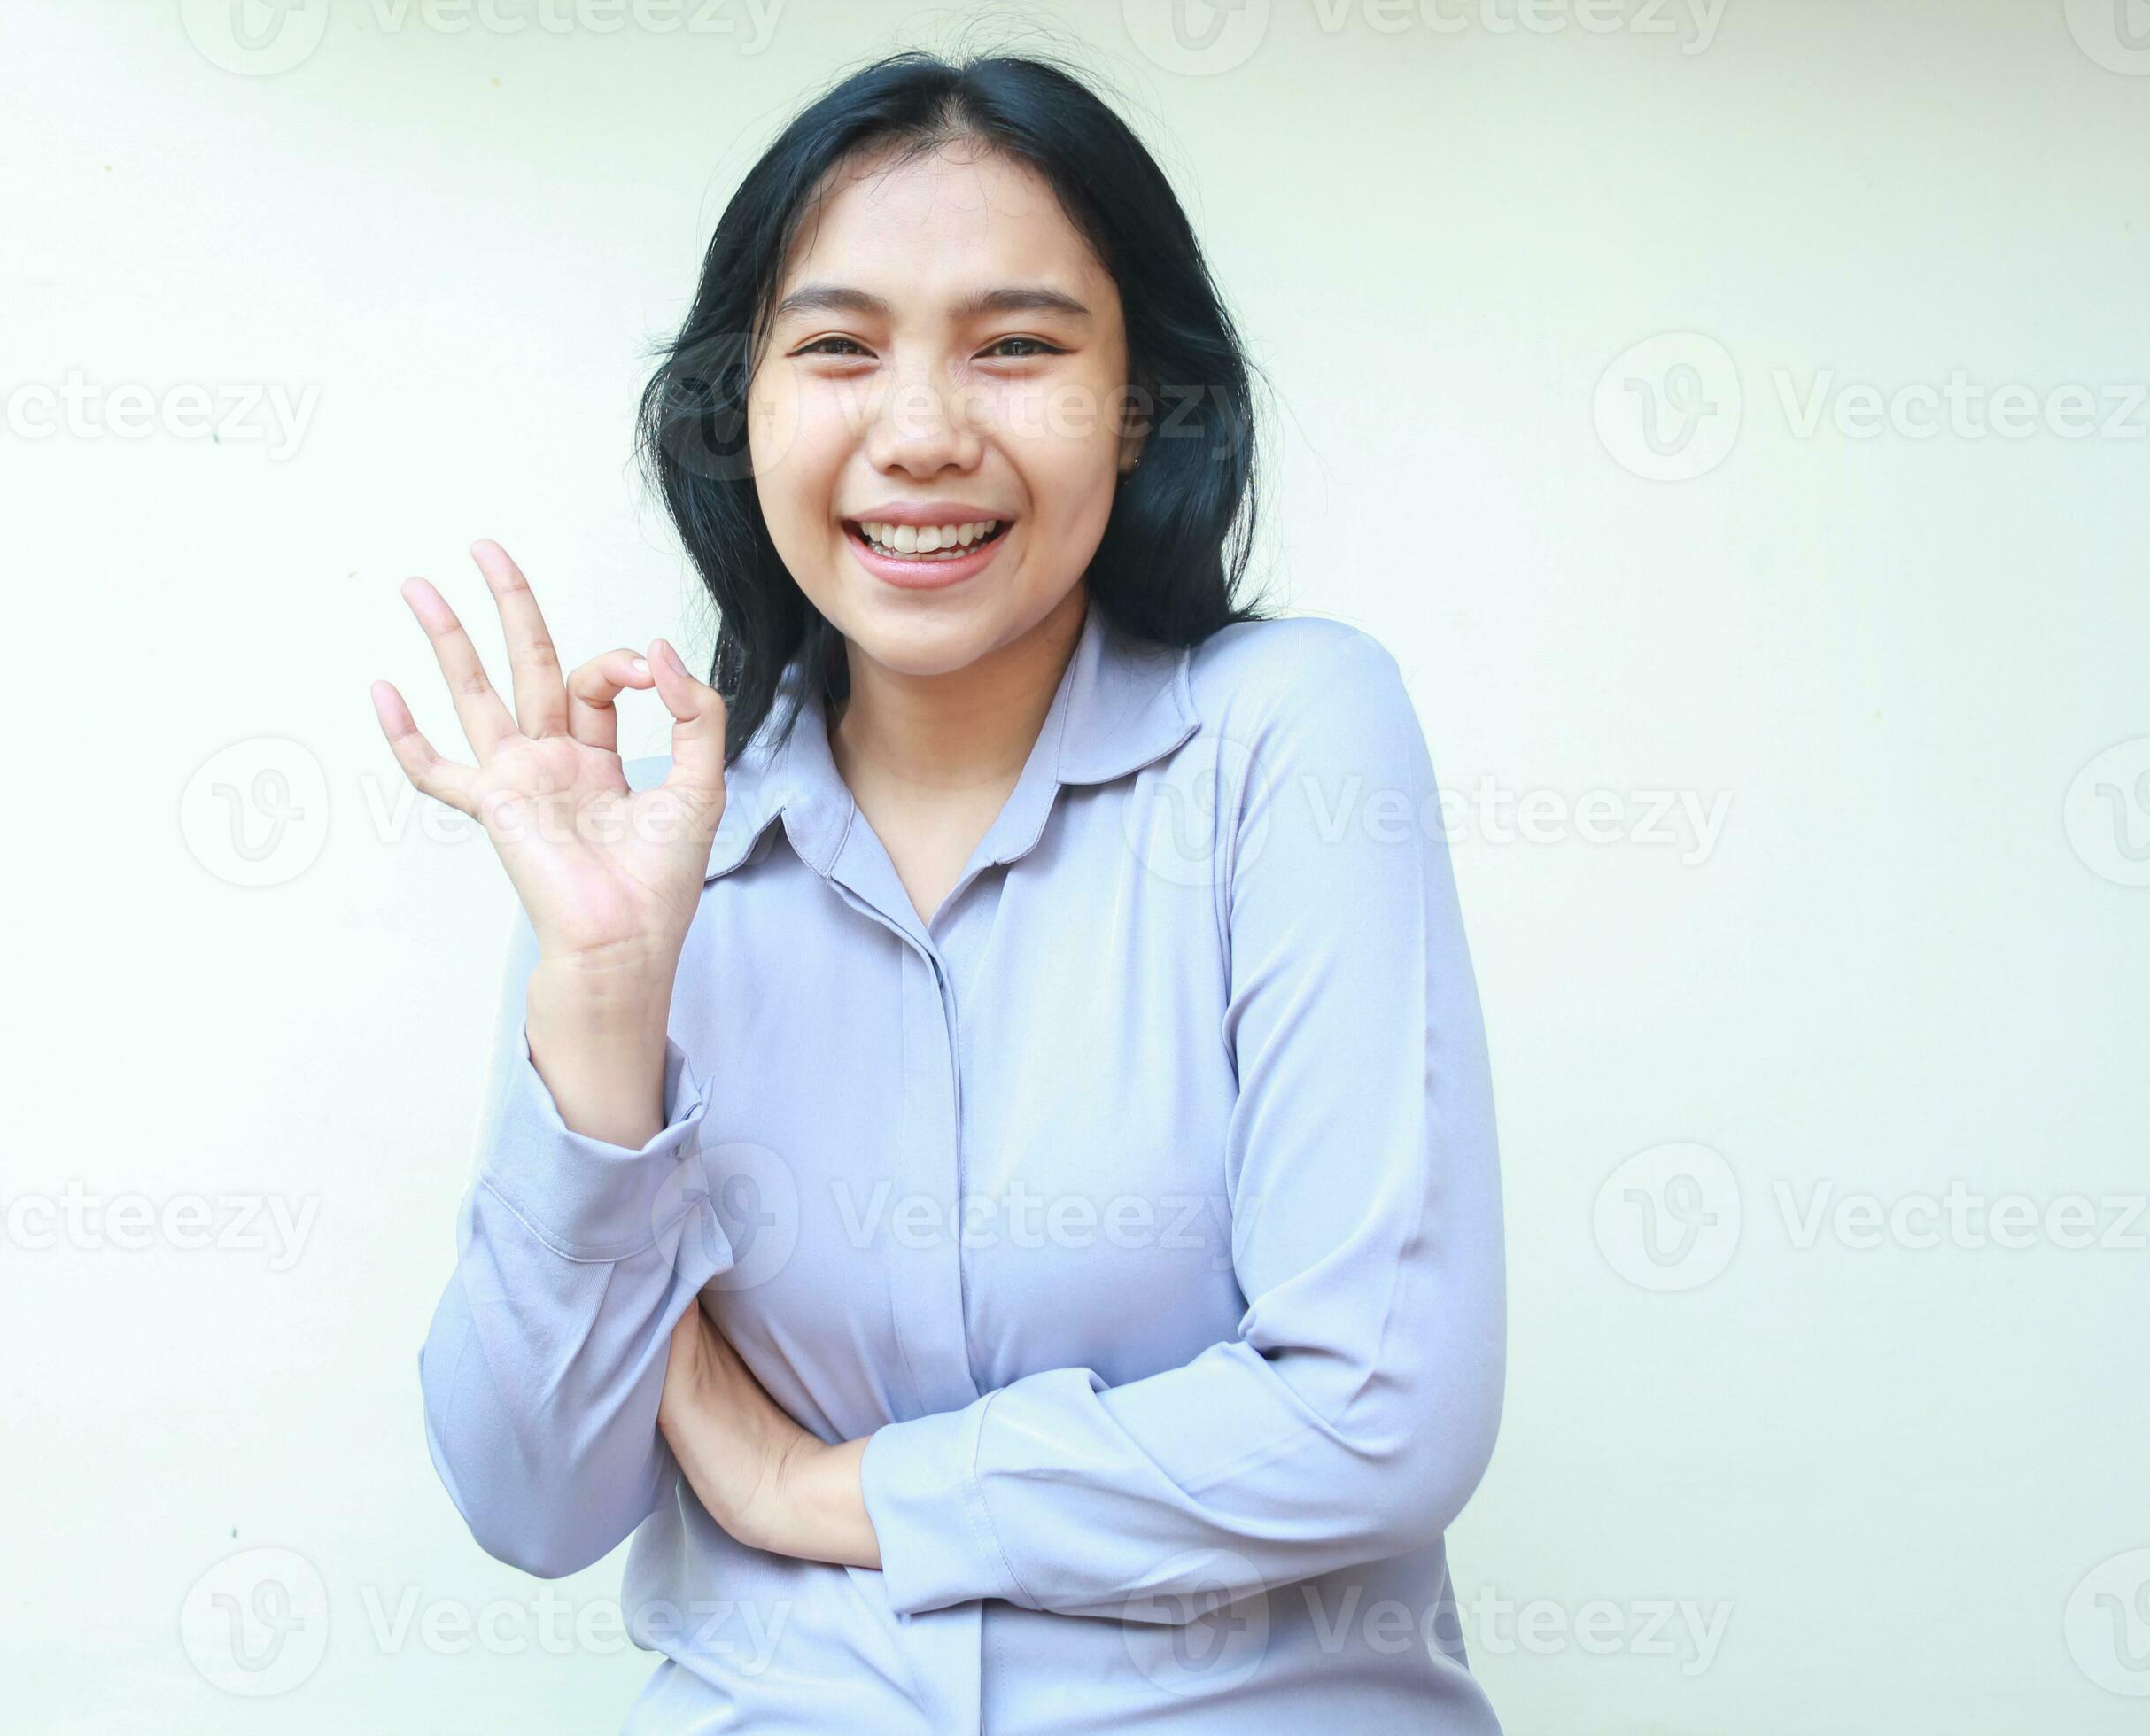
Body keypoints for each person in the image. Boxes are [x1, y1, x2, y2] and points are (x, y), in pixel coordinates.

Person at [372, 47, 1508, 1734]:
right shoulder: (650, 845)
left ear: (1140, 410)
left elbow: (1379, 1417)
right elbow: (534, 1504)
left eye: (1020, 348)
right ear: (737, 409)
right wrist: (601, 1007)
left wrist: (809, 1494)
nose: (921, 434)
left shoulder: (1293, 735)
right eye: (836, 347)